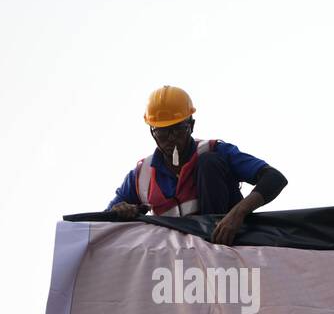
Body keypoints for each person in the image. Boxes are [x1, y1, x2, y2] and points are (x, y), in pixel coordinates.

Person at [105, 85, 288, 245]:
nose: (172, 139)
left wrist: (237, 214)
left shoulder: (215, 149)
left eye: (178, 130)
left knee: (210, 162)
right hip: (176, 256)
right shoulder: (141, 176)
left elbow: (274, 178)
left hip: (223, 242)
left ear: (191, 126)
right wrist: (120, 211)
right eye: (163, 133)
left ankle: (216, 235)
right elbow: (102, 220)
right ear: (153, 132)